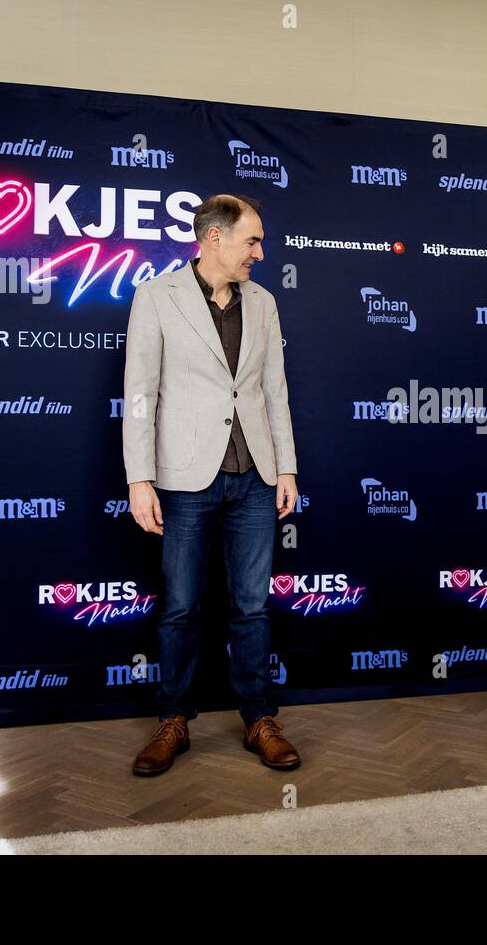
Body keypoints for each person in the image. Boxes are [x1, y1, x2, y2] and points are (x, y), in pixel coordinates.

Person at [122, 193, 301, 774]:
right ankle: (173, 719)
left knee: (251, 607)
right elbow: (141, 393)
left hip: (253, 478)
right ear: (214, 238)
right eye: (252, 240)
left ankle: (259, 719)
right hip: (184, 479)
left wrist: (286, 468)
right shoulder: (157, 296)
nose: (260, 251)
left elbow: (274, 390)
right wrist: (139, 479)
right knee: (180, 607)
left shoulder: (265, 303)